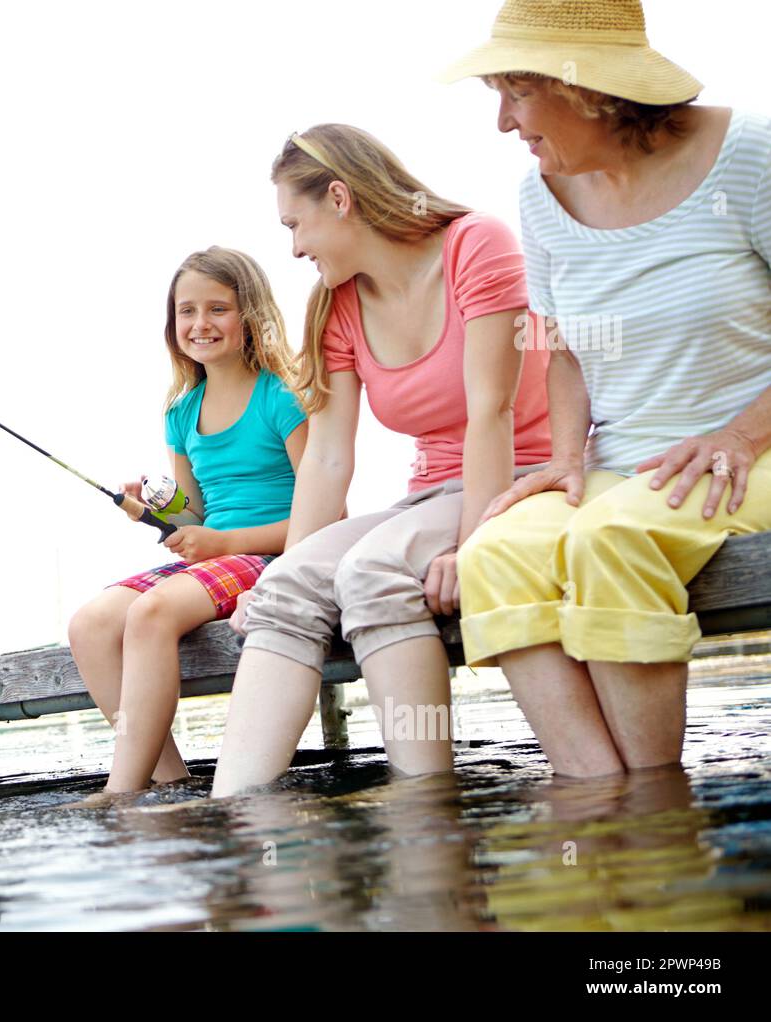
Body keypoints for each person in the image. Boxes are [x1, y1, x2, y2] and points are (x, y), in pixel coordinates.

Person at [440, 0, 771, 775]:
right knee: (494, 554)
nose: (503, 122)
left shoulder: (750, 154)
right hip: (622, 464)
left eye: (516, 93)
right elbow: (560, 350)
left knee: (609, 537)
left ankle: (654, 809)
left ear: (585, 87)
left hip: (752, 450)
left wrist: (738, 436)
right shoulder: (539, 197)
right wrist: (564, 457)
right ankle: (598, 799)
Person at [210, 125, 552, 797]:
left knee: (372, 571)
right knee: (281, 590)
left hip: (520, 479)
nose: (295, 246)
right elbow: (330, 459)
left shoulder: (475, 246)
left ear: (339, 197)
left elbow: (493, 412)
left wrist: (473, 545)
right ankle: (237, 815)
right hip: (428, 495)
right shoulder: (337, 303)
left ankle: (426, 807)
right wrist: (289, 568)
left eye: (296, 224)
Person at [67, 247, 307, 796]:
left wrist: (223, 540)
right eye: (186, 311)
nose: (200, 324)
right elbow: (194, 515)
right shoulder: (180, 412)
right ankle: (172, 786)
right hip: (220, 556)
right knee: (92, 623)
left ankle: (120, 793)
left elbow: (326, 518)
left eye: (218, 309)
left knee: (151, 612)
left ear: (251, 315)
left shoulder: (284, 396)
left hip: (275, 554)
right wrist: (157, 510)